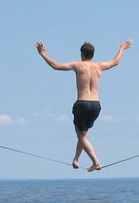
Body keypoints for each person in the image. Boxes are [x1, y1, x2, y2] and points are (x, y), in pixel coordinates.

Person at [35, 39, 133, 171]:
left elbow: (55, 65)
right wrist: (122, 48)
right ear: (93, 54)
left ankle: (96, 162)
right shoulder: (99, 66)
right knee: (83, 135)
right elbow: (116, 61)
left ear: (82, 54)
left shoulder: (78, 65)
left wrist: (42, 53)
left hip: (82, 104)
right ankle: (76, 159)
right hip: (96, 105)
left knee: (81, 135)